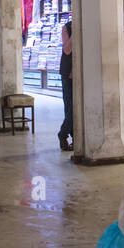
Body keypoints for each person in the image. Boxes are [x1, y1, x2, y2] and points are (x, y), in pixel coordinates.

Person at [58, 20, 74, 151]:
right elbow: (67, 50)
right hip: (67, 73)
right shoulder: (67, 27)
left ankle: (75, 138)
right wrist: (76, 34)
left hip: (80, 73)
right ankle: (63, 134)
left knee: (75, 107)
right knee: (70, 107)